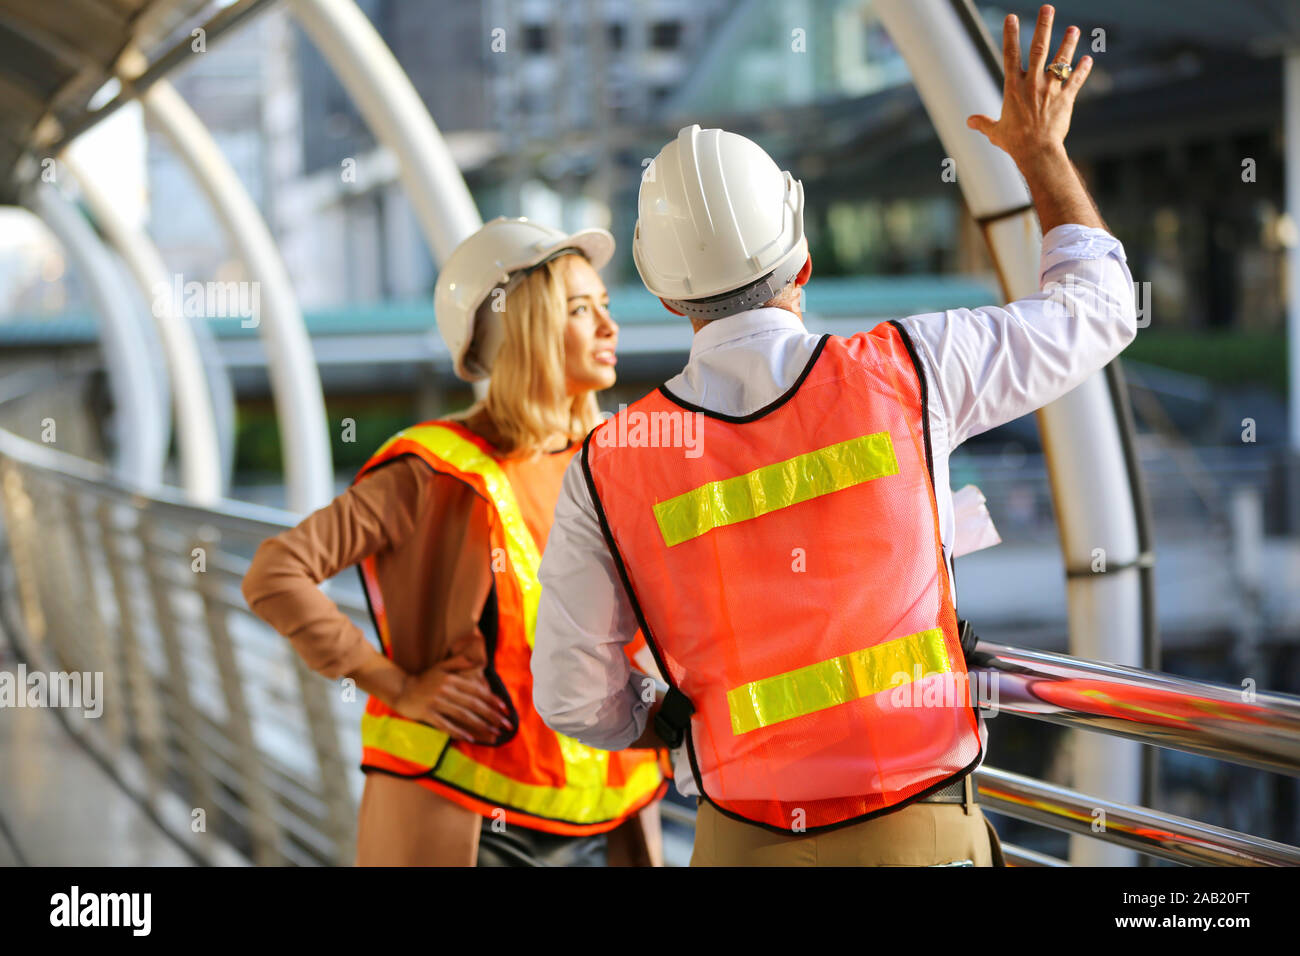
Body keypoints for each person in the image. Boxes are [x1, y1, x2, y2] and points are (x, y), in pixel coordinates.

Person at [532, 7, 1136, 866]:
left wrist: (664, 720)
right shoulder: (909, 369)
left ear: (667, 298)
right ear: (803, 259)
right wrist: (1040, 150)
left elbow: (571, 697)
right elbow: (1100, 309)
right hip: (917, 833)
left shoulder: (611, 460)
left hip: (736, 842)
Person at [242, 217, 668, 866]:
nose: (610, 328)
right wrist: (394, 682)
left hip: (611, 811)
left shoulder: (610, 457)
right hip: (475, 818)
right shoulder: (427, 469)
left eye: (605, 306)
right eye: (581, 310)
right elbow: (276, 574)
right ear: (524, 329)